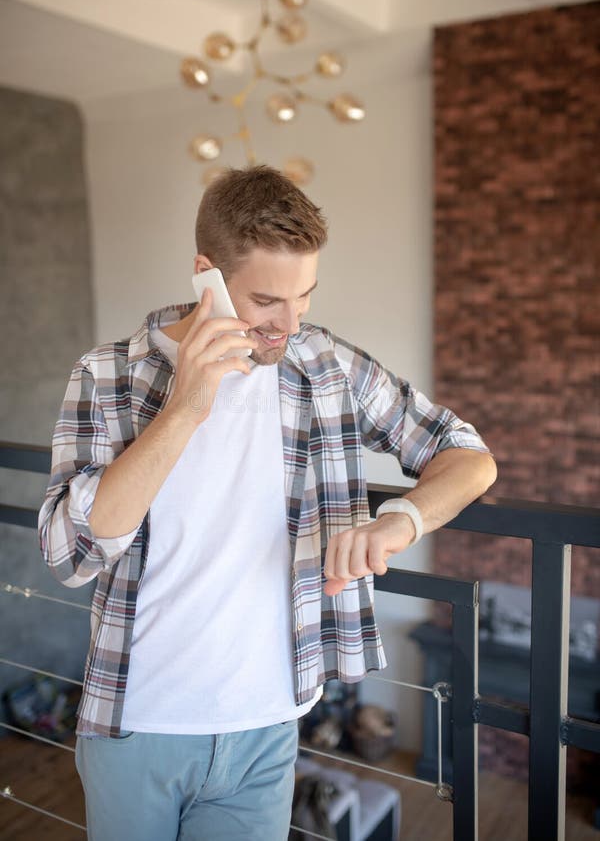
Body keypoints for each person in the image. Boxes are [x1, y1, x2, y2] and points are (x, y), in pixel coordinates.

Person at [38, 165, 496, 840]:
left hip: (267, 727)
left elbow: (469, 456)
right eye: (265, 302)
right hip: (138, 726)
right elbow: (70, 552)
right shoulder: (107, 374)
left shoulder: (324, 366)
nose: (289, 323)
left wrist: (399, 520)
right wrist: (185, 408)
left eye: (304, 297)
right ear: (205, 273)